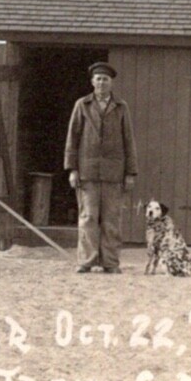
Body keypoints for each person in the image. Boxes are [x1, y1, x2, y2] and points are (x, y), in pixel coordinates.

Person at [64, 61, 137, 273]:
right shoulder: (82, 105)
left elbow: (128, 141)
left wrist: (130, 173)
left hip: (114, 174)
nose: (102, 83)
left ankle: (111, 263)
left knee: (111, 219)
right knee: (88, 217)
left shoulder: (121, 107)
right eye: (98, 79)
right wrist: (72, 169)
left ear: (111, 83)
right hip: (87, 172)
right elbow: (72, 138)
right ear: (92, 82)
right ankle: (86, 261)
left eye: (106, 79)